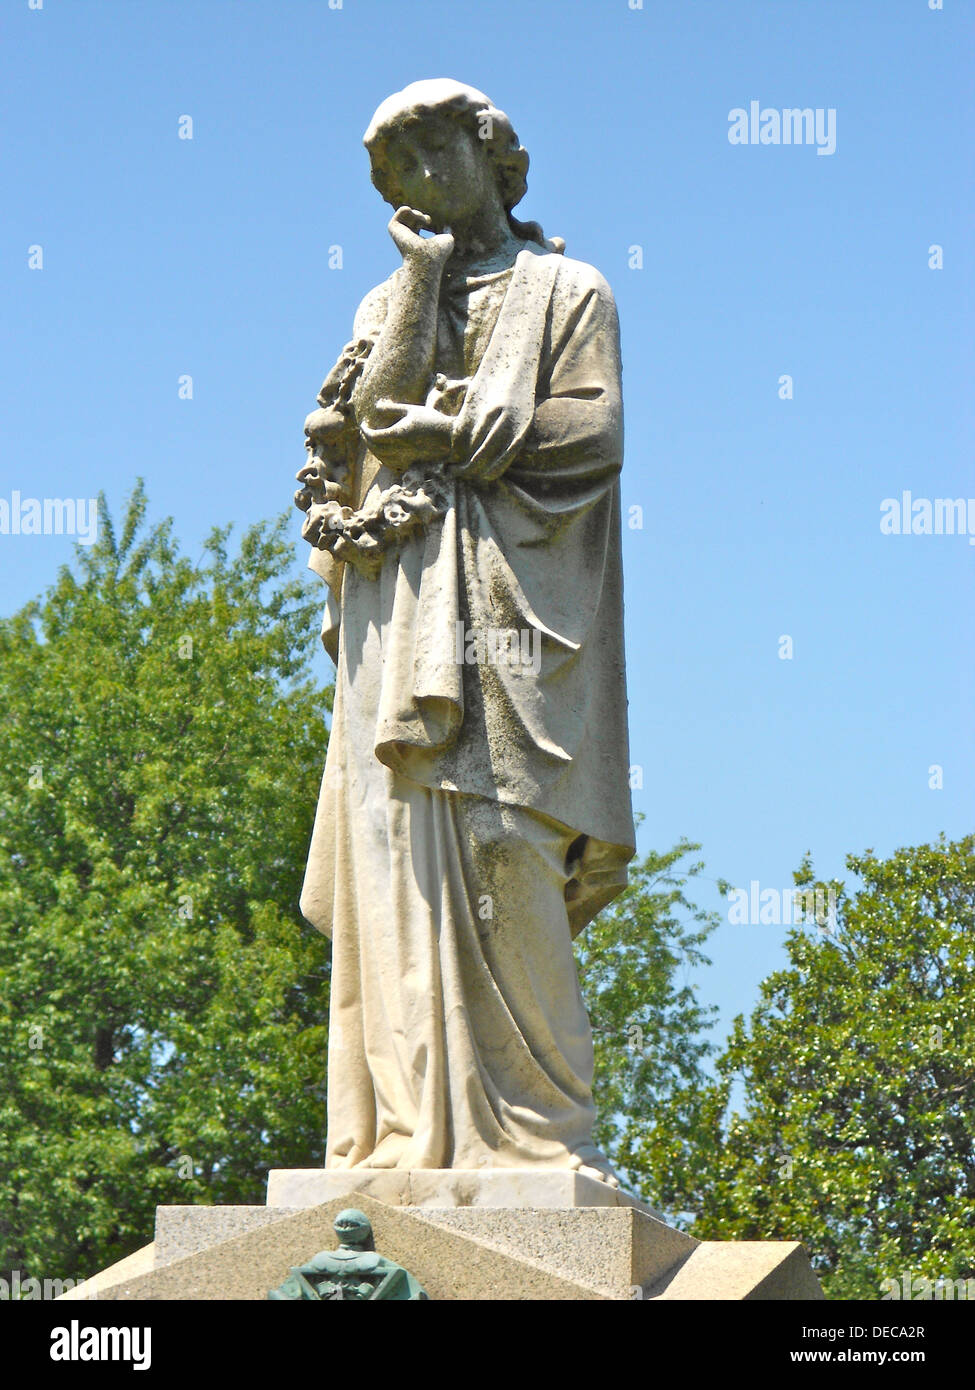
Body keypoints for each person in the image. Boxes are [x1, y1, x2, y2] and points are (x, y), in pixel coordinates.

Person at [295, 80, 635, 1185]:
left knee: (504, 839)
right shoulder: (386, 302)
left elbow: (592, 431)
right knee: (391, 847)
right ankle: (401, 1128)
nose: (420, 185)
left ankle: (541, 1126)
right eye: (397, 173)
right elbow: (364, 432)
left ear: (493, 156)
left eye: (436, 156)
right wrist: (422, 281)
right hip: (397, 598)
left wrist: (475, 433)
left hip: (512, 601)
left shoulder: (568, 290)